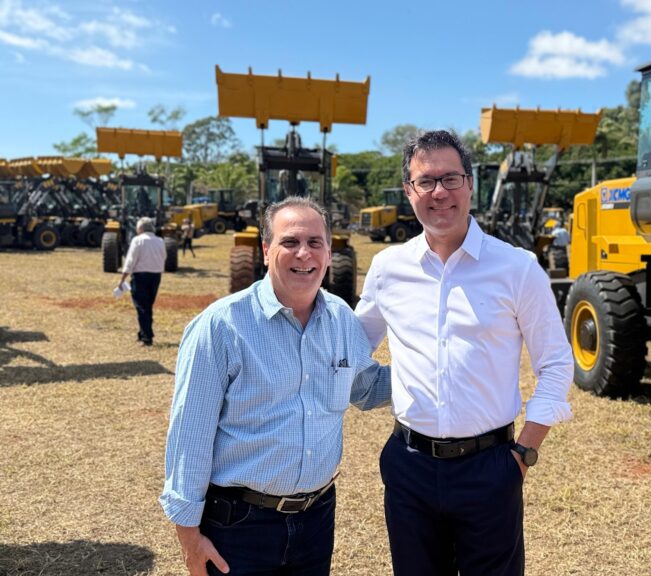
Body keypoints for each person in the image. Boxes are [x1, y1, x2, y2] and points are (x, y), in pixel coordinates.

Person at [355, 130, 573, 576]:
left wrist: (523, 455)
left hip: (491, 469)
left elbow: (555, 363)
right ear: (407, 191)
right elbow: (351, 347)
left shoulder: (517, 268)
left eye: (451, 178)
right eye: (425, 181)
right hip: (408, 467)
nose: (439, 192)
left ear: (470, 185)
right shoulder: (387, 269)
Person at [160, 196, 391, 576]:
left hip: (316, 520)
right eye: (290, 242)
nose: (305, 254)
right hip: (238, 527)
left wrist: (433, 372)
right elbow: (190, 434)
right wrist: (188, 535)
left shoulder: (341, 320)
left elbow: (365, 388)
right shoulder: (221, 326)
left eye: (315, 243)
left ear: (329, 252)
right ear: (266, 250)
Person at [117, 217, 166, 346]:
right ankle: (143, 332)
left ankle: (147, 337)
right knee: (148, 305)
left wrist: (122, 279)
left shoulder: (137, 240)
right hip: (156, 276)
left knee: (141, 306)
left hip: (140, 276)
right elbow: (164, 256)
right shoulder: (160, 241)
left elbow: (130, 261)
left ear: (141, 228)